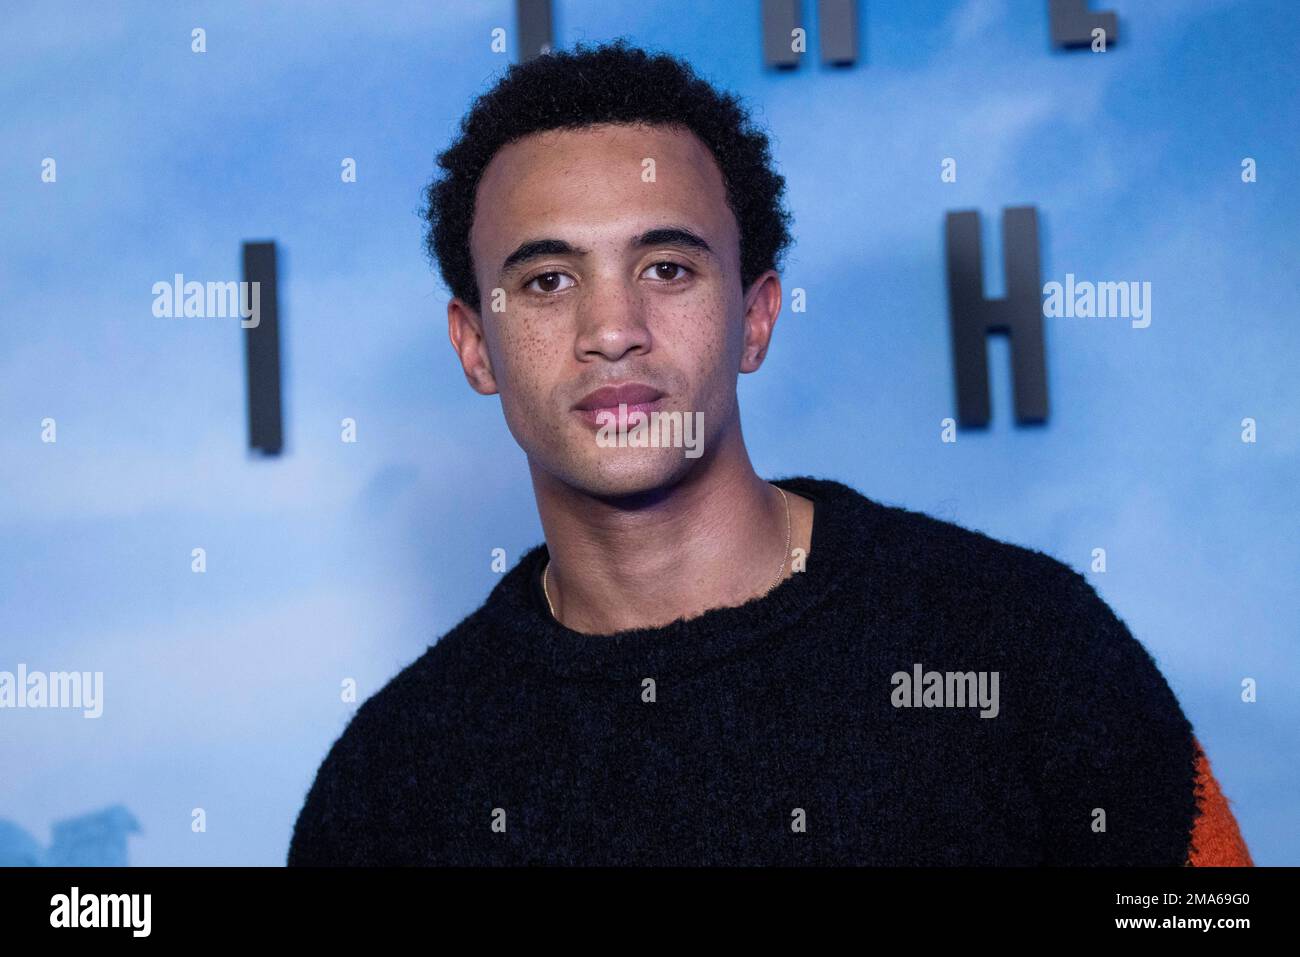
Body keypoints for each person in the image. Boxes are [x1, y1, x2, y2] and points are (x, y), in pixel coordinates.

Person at [287, 39, 1250, 866]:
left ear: (755, 318)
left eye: (667, 268)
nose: (612, 329)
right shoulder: (387, 787)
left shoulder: (1025, 643)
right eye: (546, 280)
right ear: (473, 345)